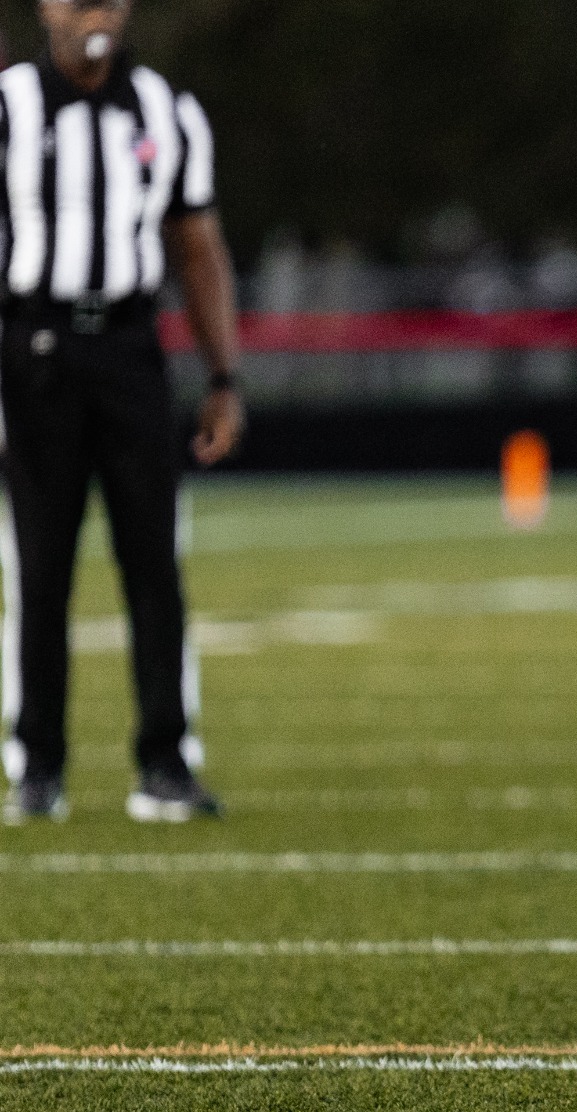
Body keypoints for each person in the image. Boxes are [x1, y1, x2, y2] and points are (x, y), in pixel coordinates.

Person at [0, 0, 243, 823]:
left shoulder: (168, 111)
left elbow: (197, 245)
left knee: (154, 564)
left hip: (133, 349)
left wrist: (224, 378)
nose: (91, 12)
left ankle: (166, 762)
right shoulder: (10, 107)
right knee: (39, 568)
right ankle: (37, 766)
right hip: (34, 350)